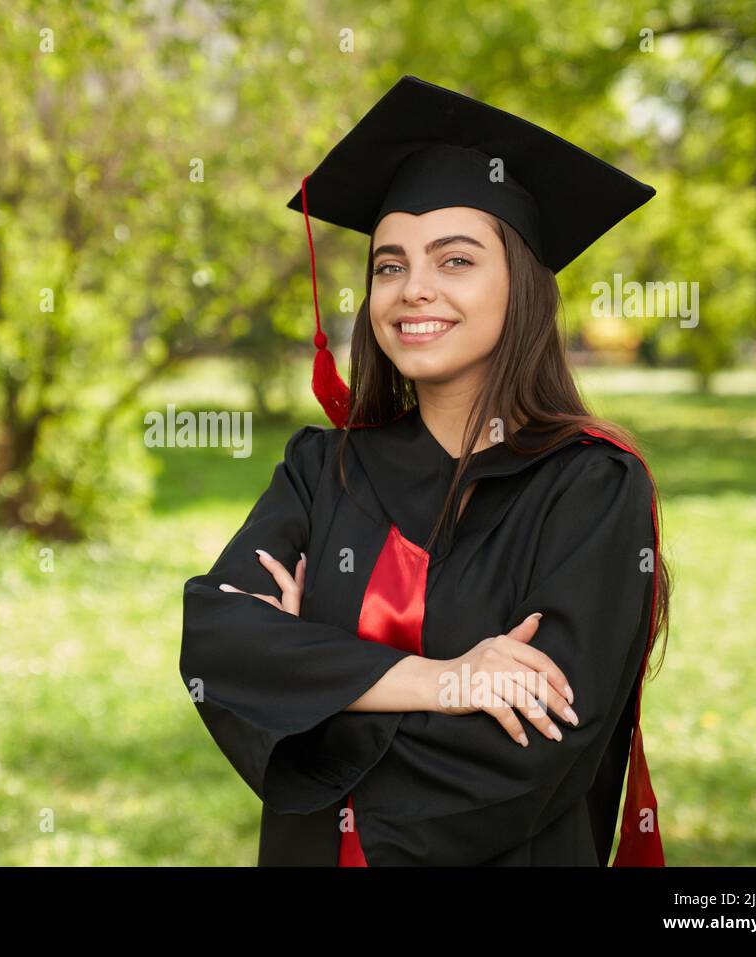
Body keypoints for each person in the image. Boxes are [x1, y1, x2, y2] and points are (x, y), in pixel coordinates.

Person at [178, 75, 671, 866]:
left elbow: (534, 751)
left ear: (522, 283)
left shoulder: (590, 487)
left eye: (456, 260)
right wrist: (443, 680)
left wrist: (319, 680)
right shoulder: (321, 467)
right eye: (388, 265)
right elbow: (218, 643)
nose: (414, 291)